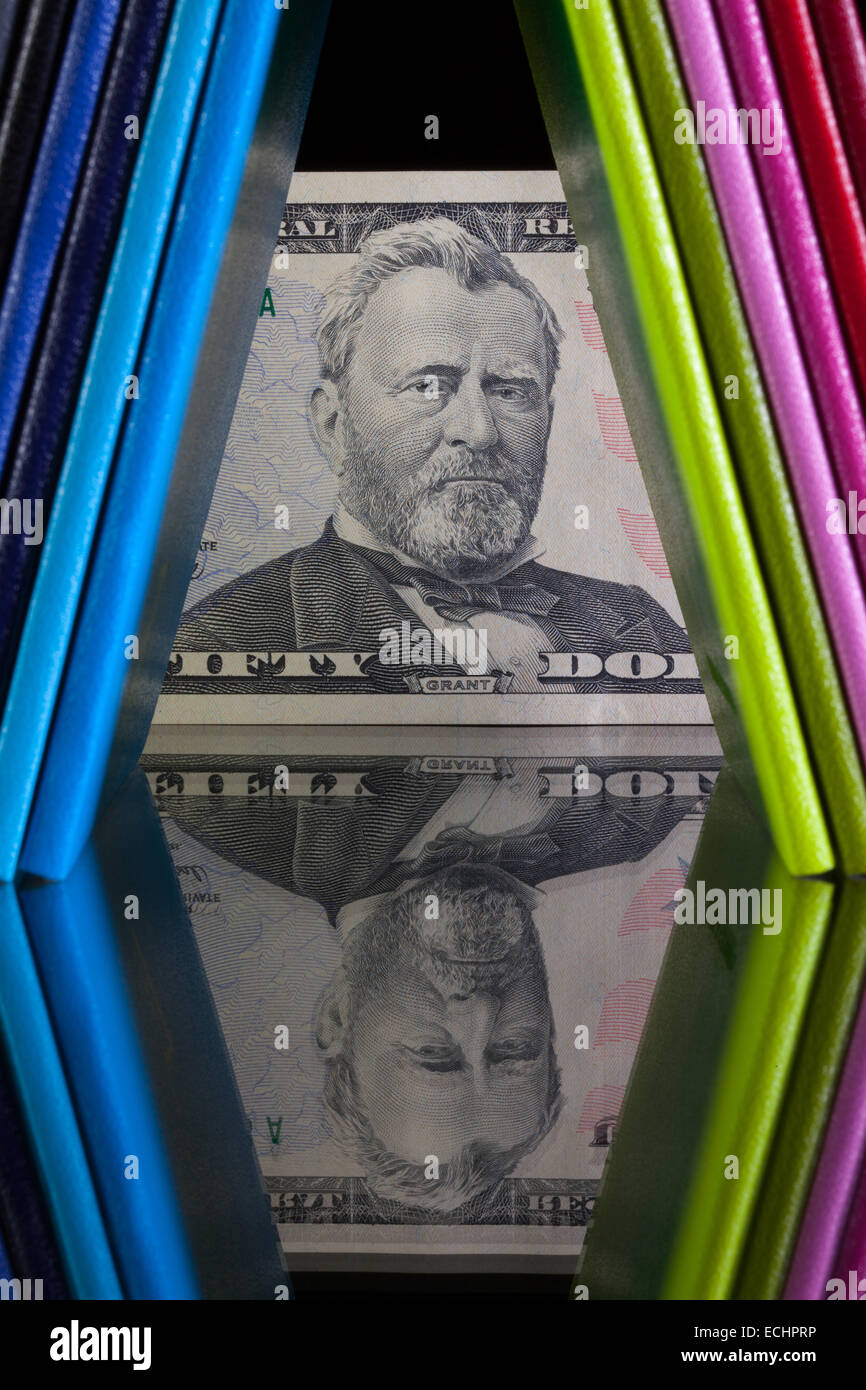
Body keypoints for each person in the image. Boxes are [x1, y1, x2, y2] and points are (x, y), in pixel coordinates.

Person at [174, 218, 690, 688]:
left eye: (509, 391)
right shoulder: (217, 645)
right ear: (334, 425)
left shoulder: (639, 627)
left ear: (547, 421)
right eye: (427, 386)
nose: (479, 431)